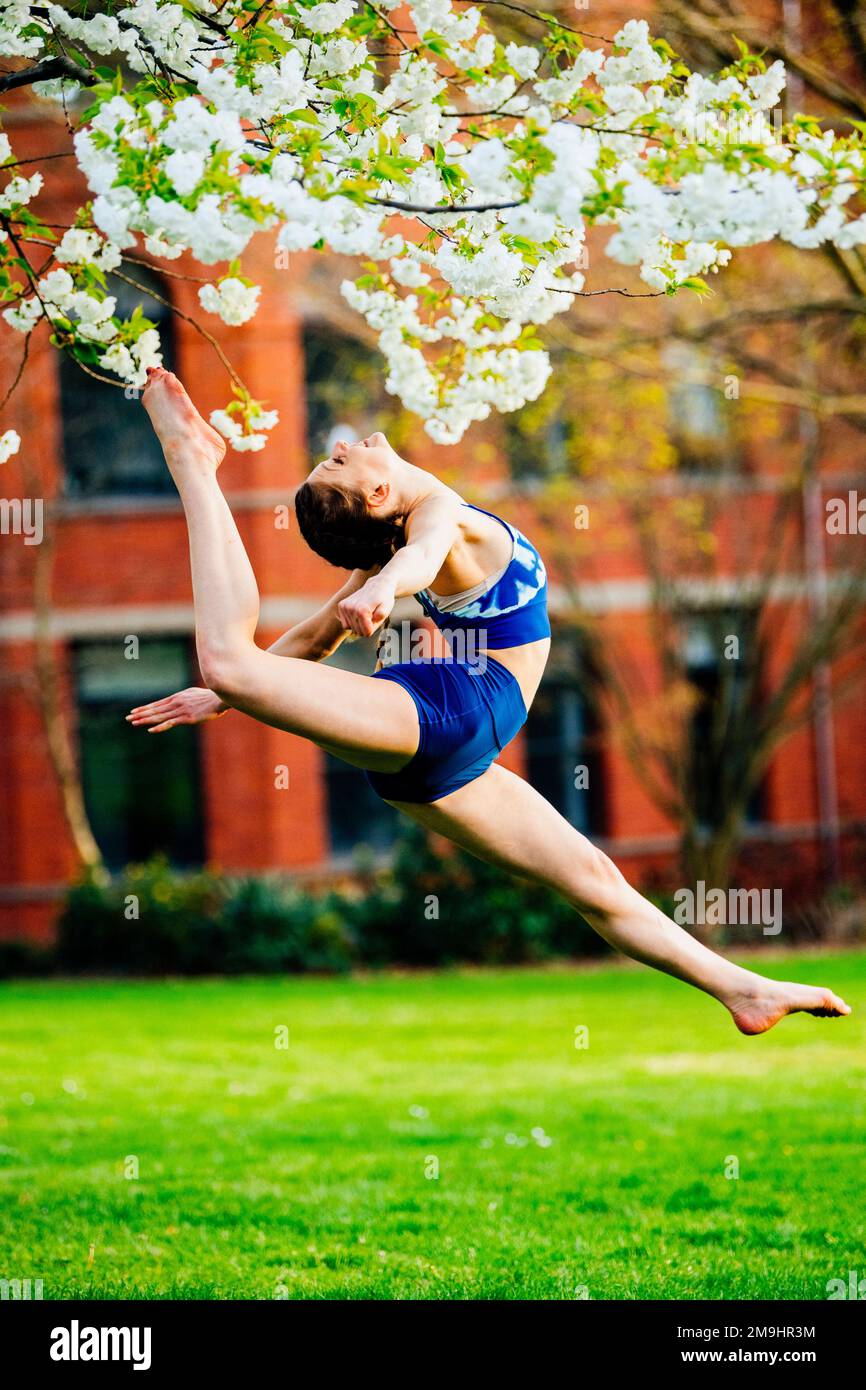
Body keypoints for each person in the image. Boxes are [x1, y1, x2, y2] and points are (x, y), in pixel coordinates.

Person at [128, 367, 851, 1036]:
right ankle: (193, 463)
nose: (348, 442)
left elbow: (407, 565)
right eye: (341, 459)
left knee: (594, 881)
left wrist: (370, 597)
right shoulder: (430, 517)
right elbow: (333, 624)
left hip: (446, 746)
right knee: (228, 662)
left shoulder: (418, 532)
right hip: (452, 716)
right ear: (380, 497)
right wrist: (226, 693)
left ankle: (741, 989)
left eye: (336, 453)